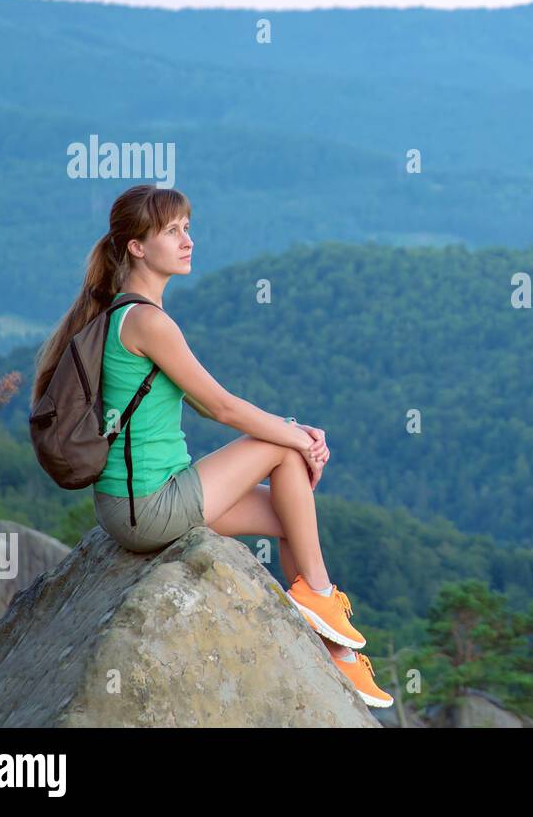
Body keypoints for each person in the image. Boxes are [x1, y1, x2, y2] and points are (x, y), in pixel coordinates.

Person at [30, 183, 392, 709]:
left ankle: (333, 653)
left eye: (187, 228)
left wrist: (294, 431)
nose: (188, 240)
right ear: (136, 246)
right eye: (172, 231)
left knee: (293, 513)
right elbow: (218, 407)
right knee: (282, 453)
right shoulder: (147, 322)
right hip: (147, 510)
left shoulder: (122, 313)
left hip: (140, 501)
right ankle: (319, 598)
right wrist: (299, 434)